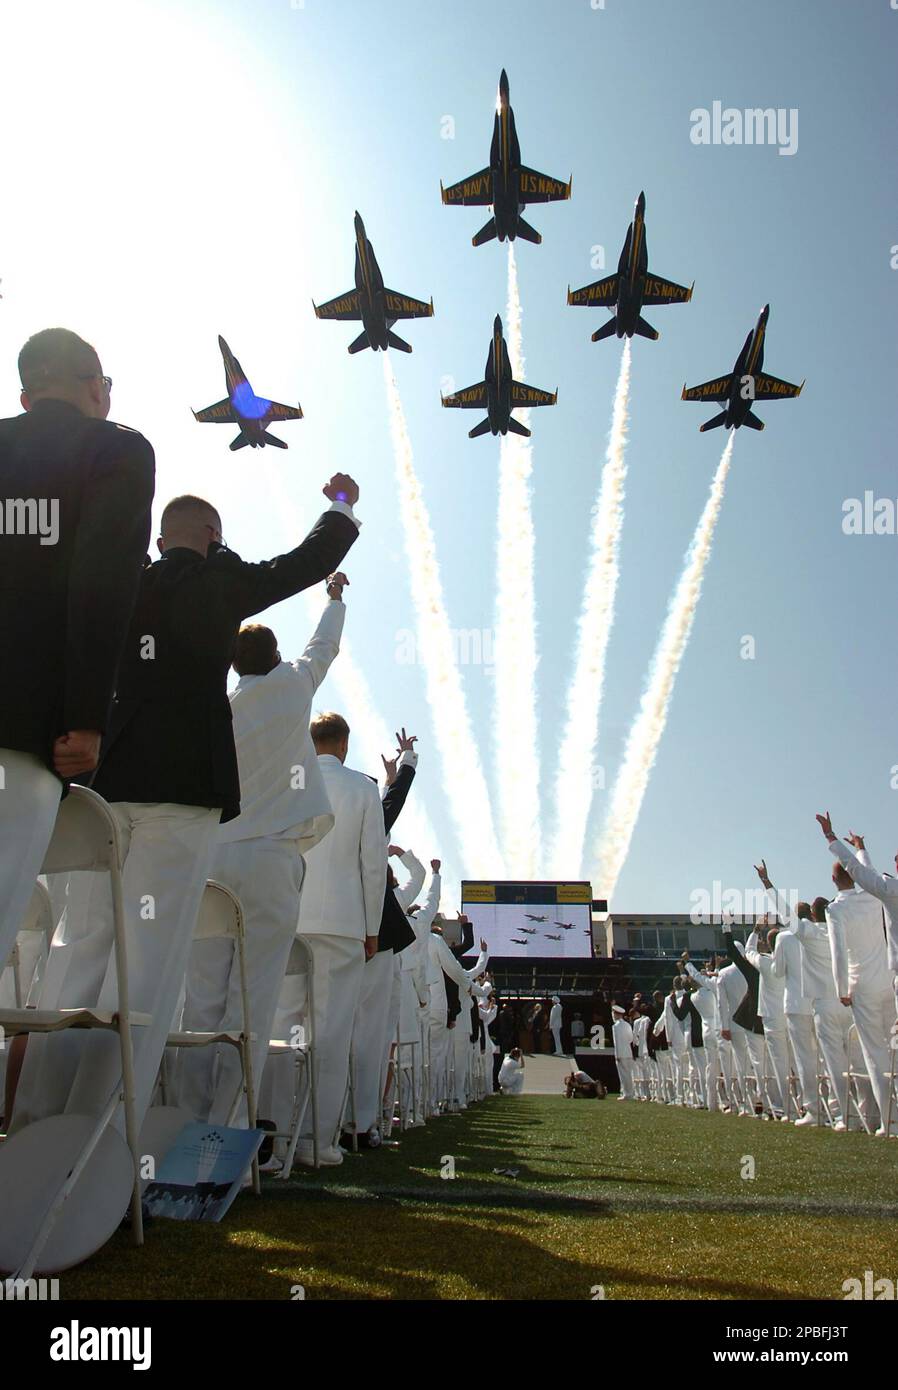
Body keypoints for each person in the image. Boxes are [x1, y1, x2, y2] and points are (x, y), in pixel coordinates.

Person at [14, 478, 360, 1142]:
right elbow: (307, 562)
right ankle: (109, 1140)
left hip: (101, 791)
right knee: (149, 967)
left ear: (157, 538)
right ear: (210, 538)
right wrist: (340, 507)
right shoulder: (219, 587)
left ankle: (34, 1125)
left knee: (79, 957)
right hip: (181, 794)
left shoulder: (119, 583)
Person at [0, 328, 155, 972]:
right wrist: (87, 713)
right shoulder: (116, 450)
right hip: (30, 726)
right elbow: (102, 576)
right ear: (96, 387)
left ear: (27, 393)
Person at [175, 572, 350, 1125]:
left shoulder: (217, 708)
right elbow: (323, 646)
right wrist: (335, 599)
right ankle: (225, 1128)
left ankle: (183, 1122)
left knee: (201, 1001)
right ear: (275, 658)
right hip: (271, 859)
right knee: (251, 1001)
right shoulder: (294, 684)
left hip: (214, 859)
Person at [259, 709, 386, 1166]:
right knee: (330, 1033)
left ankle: (271, 1140)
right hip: (342, 924)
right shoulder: (364, 788)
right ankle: (316, 1142)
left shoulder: (290, 779)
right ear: (344, 744)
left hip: (290, 917)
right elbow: (373, 865)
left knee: (282, 1028)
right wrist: (372, 929)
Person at [816, 814, 896, 1135]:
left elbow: (838, 951)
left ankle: (888, 1122)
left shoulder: (836, 909)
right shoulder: (874, 896)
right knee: (893, 1050)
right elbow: (868, 873)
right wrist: (861, 848)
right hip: (887, 981)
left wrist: (841, 988)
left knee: (875, 1056)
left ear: (835, 882)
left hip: (861, 984)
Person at [755, 860, 821, 1126]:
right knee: (823, 1059)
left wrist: (767, 882)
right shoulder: (820, 931)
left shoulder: (784, 938)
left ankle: (812, 1110)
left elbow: (779, 971)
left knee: (802, 1061)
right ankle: (833, 1108)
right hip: (819, 1001)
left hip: (795, 1004)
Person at [611, 1003, 635, 1100]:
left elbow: (616, 1042)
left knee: (623, 1075)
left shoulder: (616, 1026)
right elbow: (630, 1038)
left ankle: (626, 1094)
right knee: (628, 1074)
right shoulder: (627, 1024)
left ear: (616, 1014)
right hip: (628, 1052)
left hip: (621, 1053)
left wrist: (617, 1054)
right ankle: (628, 1092)